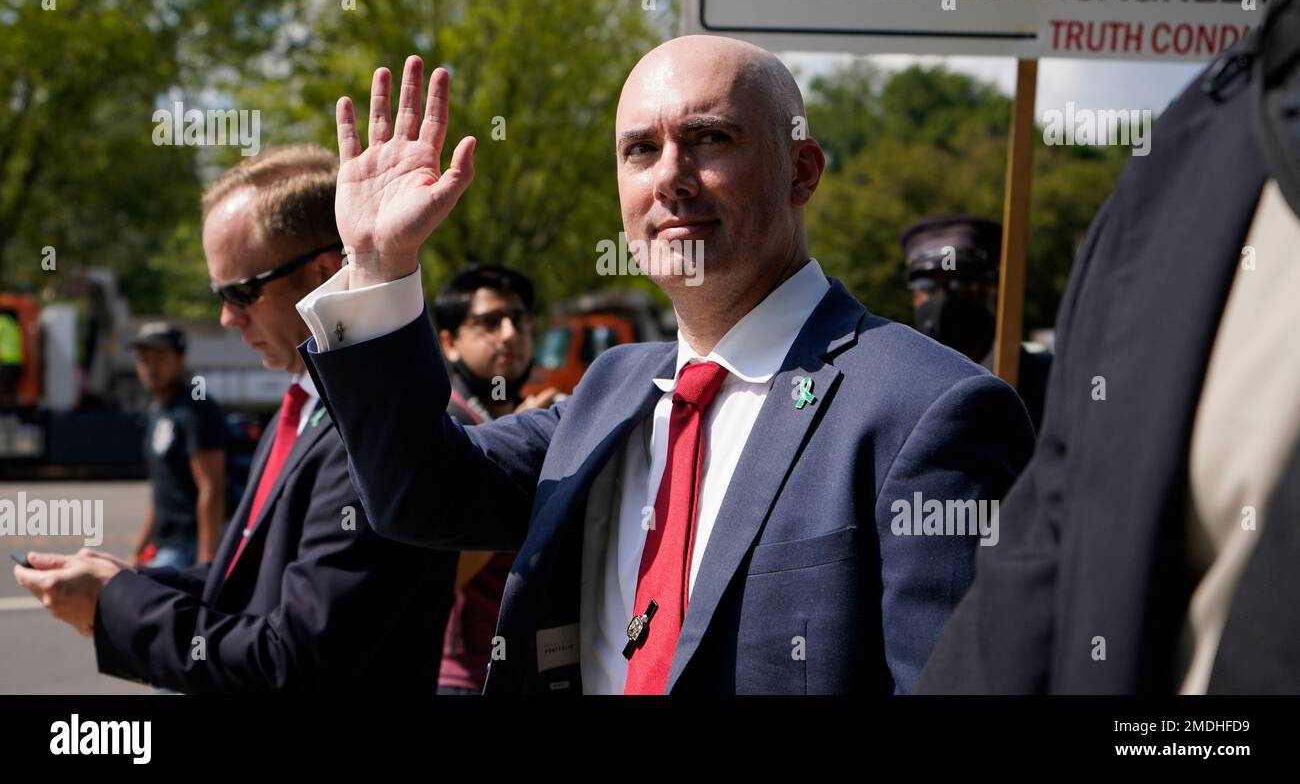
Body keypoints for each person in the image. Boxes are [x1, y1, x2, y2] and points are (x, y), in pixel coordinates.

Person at [296, 38, 1034, 695]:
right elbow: (419, 495)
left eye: (710, 139)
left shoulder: (930, 409)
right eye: (640, 149)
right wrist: (380, 264)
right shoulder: (612, 389)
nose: (670, 178)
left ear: (801, 170)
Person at [919, 0, 1300, 694]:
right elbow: (1036, 574)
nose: (940, 302)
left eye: (962, 284)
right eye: (929, 285)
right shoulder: (1191, 158)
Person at [14, 145, 456, 693]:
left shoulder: (366, 434)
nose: (226, 317)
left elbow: (292, 664)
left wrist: (118, 604)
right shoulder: (304, 404)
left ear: (323, 273)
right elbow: (248, 582)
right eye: (217, 293)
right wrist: (125, 584)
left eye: (241, 292)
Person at [432, 264, 559, 694]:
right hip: (464, 676)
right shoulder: (445, 422)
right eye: (488, 323)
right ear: (449, 342)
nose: (509, 334)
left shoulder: (515, 412)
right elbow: (439, 573)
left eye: (519, 319)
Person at [899, 214, 1052, 431]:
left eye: (960, 283)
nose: (943, 298)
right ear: (914, 296)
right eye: (929, 285)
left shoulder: (1043, 379)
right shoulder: (896, 383)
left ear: (992, 290)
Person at [128, 321, 227, 568]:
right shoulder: (159, 410)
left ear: (180, 358)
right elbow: (162, 491)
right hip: (165, 544)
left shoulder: (196, 408)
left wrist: (206, 560)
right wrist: (138, 551)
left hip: (188, 547)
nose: (150, 367)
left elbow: (211, 487)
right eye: (144, 359)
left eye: (160, 357)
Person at [0, 308, 23, 407]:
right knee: (10, 390)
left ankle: (6, 412)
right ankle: (12, 412)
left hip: (6, 361)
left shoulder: (2, 322)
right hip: (16, 363)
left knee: (3, 390)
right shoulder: (14, 324)